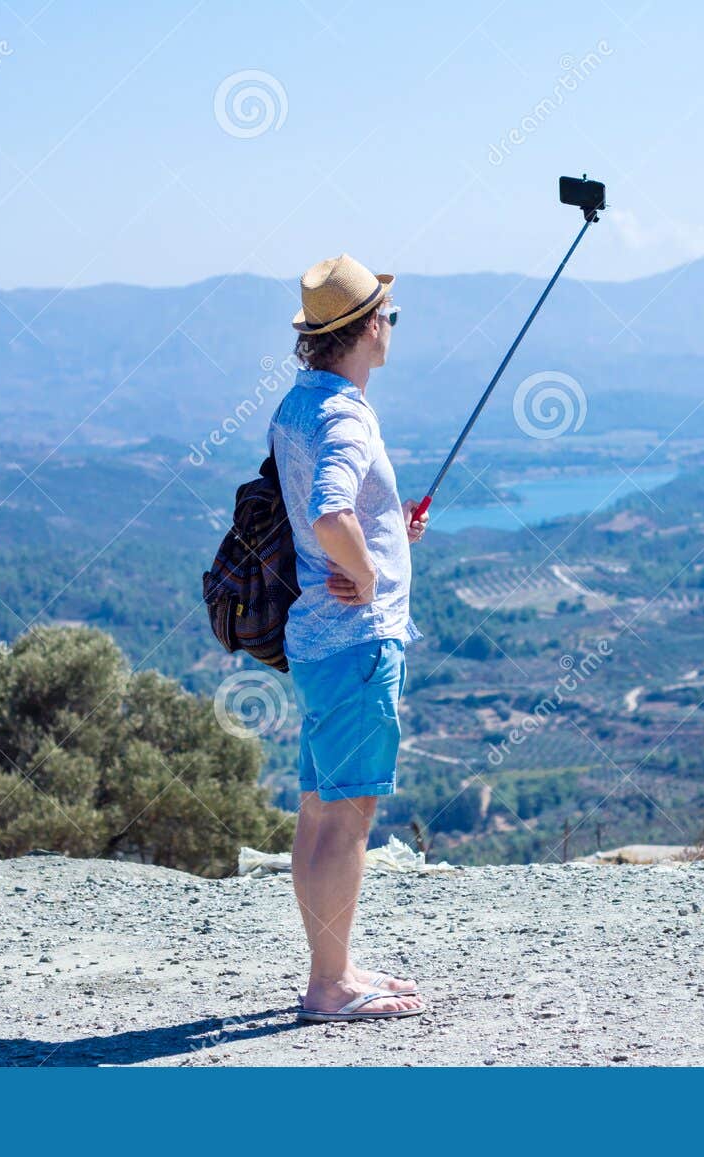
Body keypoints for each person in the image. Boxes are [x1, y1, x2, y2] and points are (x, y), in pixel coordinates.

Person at [270, 254, 429, 1023]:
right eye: (387, 318)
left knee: (319, 807)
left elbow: (321, 513)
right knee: (351, 812)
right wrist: (366, 572)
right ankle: (329, 987)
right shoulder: (344, 414)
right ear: (368, 329)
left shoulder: (300, 403)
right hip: (357, 641)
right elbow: (331, 515)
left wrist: (385, 535)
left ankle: (332, 965)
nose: (390, 329)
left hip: (316, 640)